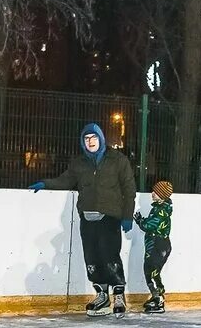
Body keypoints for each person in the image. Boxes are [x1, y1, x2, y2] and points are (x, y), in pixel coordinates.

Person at [30, 123, 136, 317]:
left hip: (110, 216)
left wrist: (127, 216)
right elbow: (65, 180)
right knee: (92, 257)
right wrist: (45, 183)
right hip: (87, 217)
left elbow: (129, 190)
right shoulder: (79, 163)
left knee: (109, 255)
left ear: (101, 139)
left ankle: (119, 295)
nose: (90, 142)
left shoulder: (118, 160)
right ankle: (102, 295)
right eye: (86, 139)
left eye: (93, 138)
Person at [133, 180, 174, 314]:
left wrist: (140, 221)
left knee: (152, 271)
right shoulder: (158, 208)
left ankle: (159, 298)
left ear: (162, 195)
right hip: (155, 243)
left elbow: (149, 225)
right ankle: (156, 295)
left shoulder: (161, 210)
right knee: (149, 270)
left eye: (155, 192)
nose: (152, 193)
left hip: (159, 244)